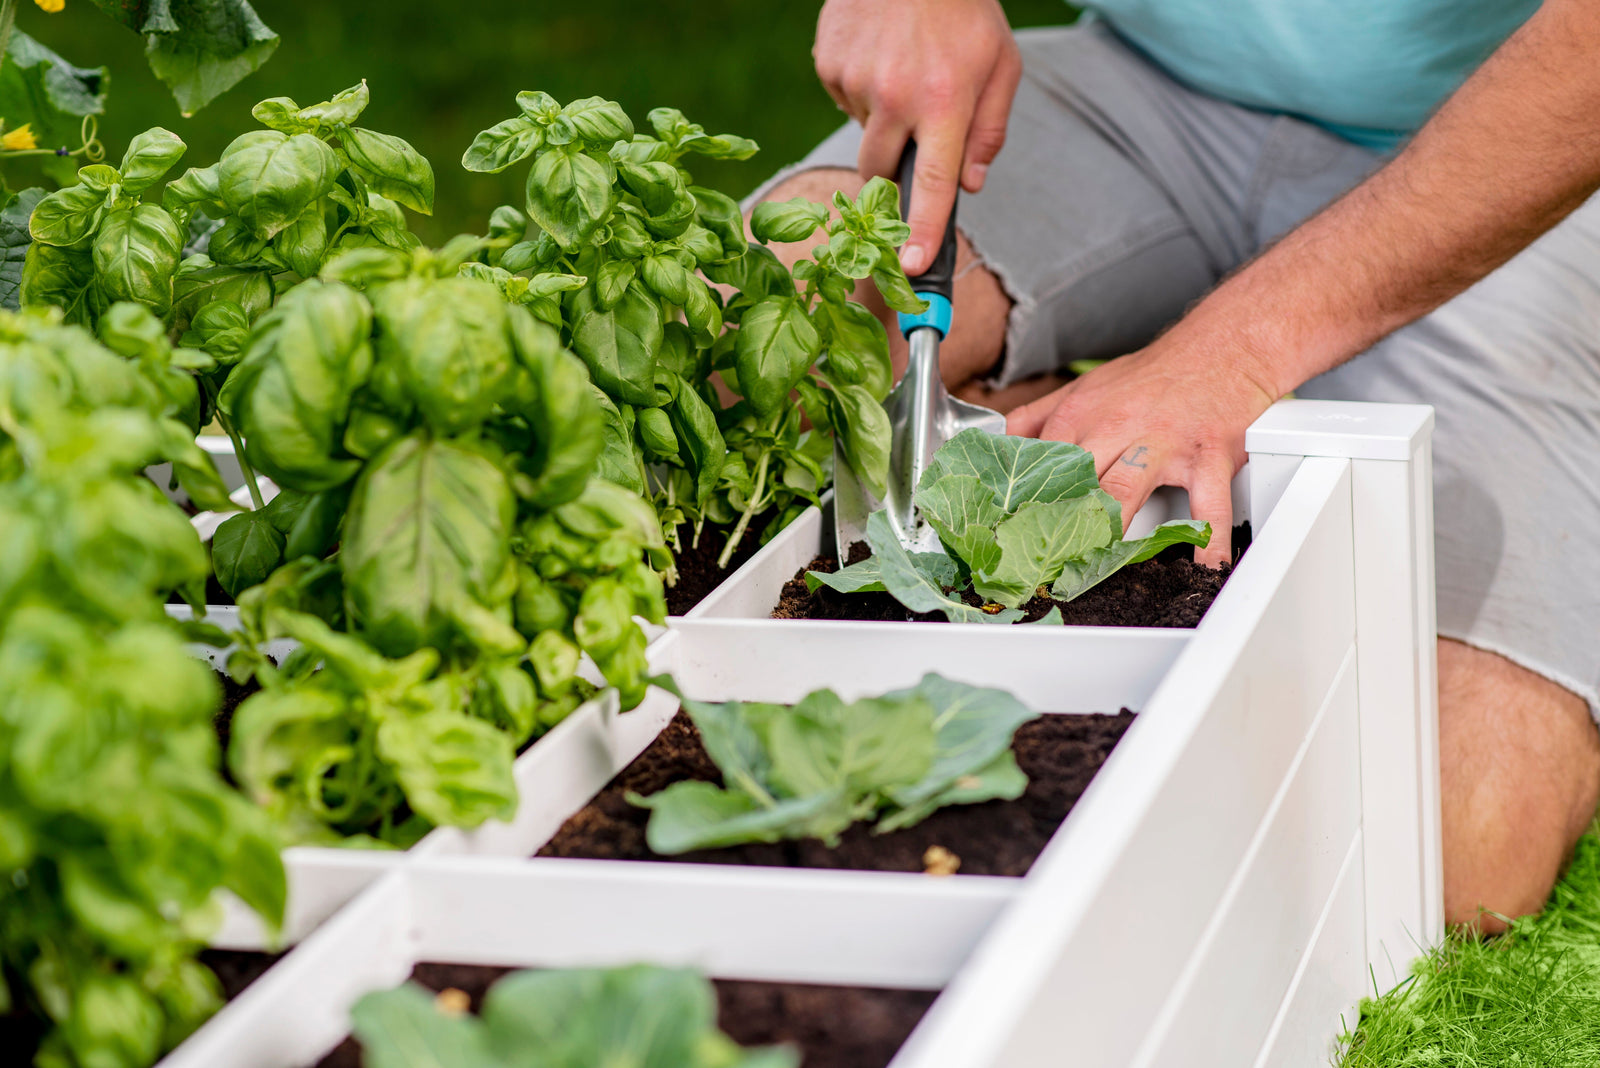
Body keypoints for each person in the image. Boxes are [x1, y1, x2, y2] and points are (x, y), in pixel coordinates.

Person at [752, 0, 1600, 932]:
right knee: (743, 340)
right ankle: (1067, 392)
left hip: (1515, 145)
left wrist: (1230, 353)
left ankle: (1201, 385)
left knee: (1445, 844)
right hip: (1149, 93)